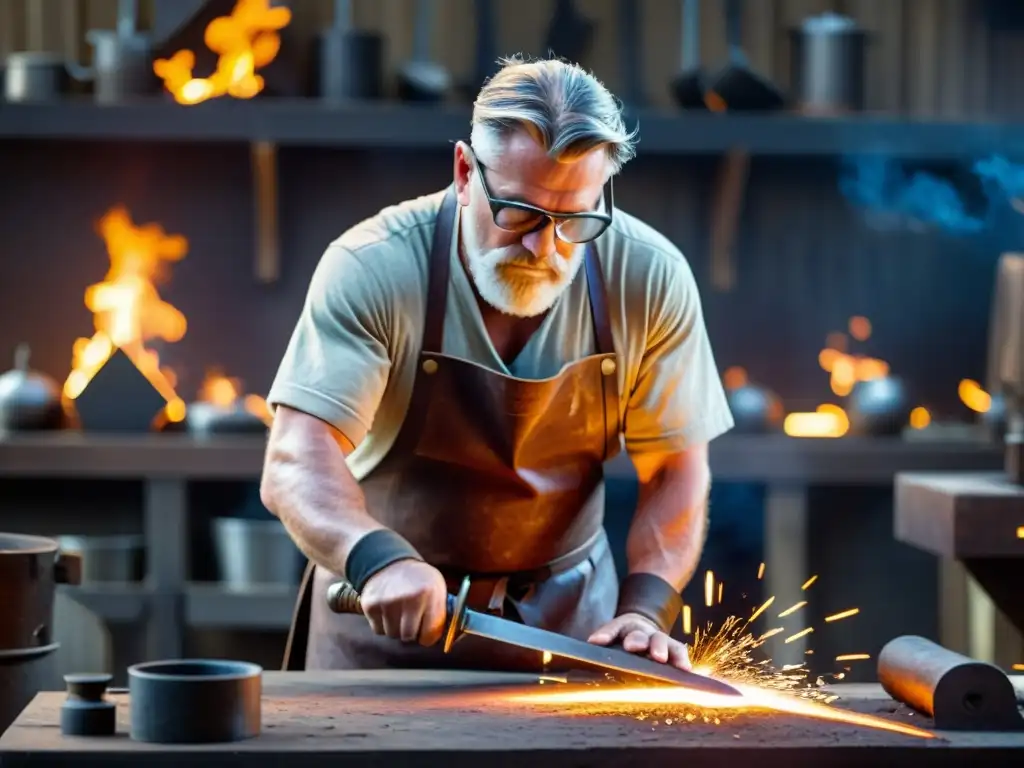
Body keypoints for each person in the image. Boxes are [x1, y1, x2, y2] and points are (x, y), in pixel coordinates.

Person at [261, 55, 735, 674]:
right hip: (381, 629)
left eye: (574, 219)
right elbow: (297, 456)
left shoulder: (648, 276)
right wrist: (376, 557)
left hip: (570, 634)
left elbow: (675, 469)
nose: (546, 247)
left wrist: (646, 610)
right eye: (520, 213)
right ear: (464, 171)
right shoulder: (374, 265)